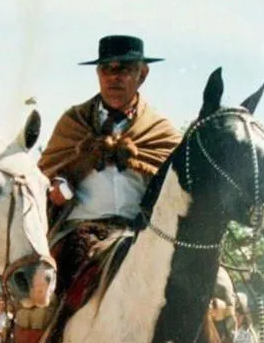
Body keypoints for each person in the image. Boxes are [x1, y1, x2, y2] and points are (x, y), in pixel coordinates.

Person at [38, 35, 180, 295]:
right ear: (98, 74)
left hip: (141, 235)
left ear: (142, 74)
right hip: (76, 235)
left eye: (124, 69)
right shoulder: (73, 122)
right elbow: (44, 178)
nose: (114, 76)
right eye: (107, 69)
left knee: (192, 297)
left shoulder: (160, 131)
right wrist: (58, 189)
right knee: (35, 309)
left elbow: (180, 188)